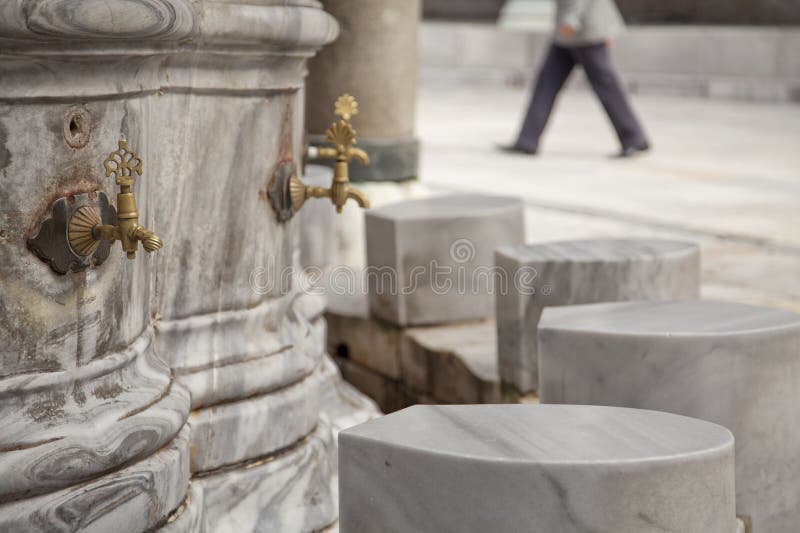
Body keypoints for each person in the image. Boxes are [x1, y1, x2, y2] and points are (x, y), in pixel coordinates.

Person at [502, 0, 650, 157]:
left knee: (606, 86)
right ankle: (527, 140)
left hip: (585, 32)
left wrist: (570, 20)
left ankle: (633, 138)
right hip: (568, 35)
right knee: (546, 84)